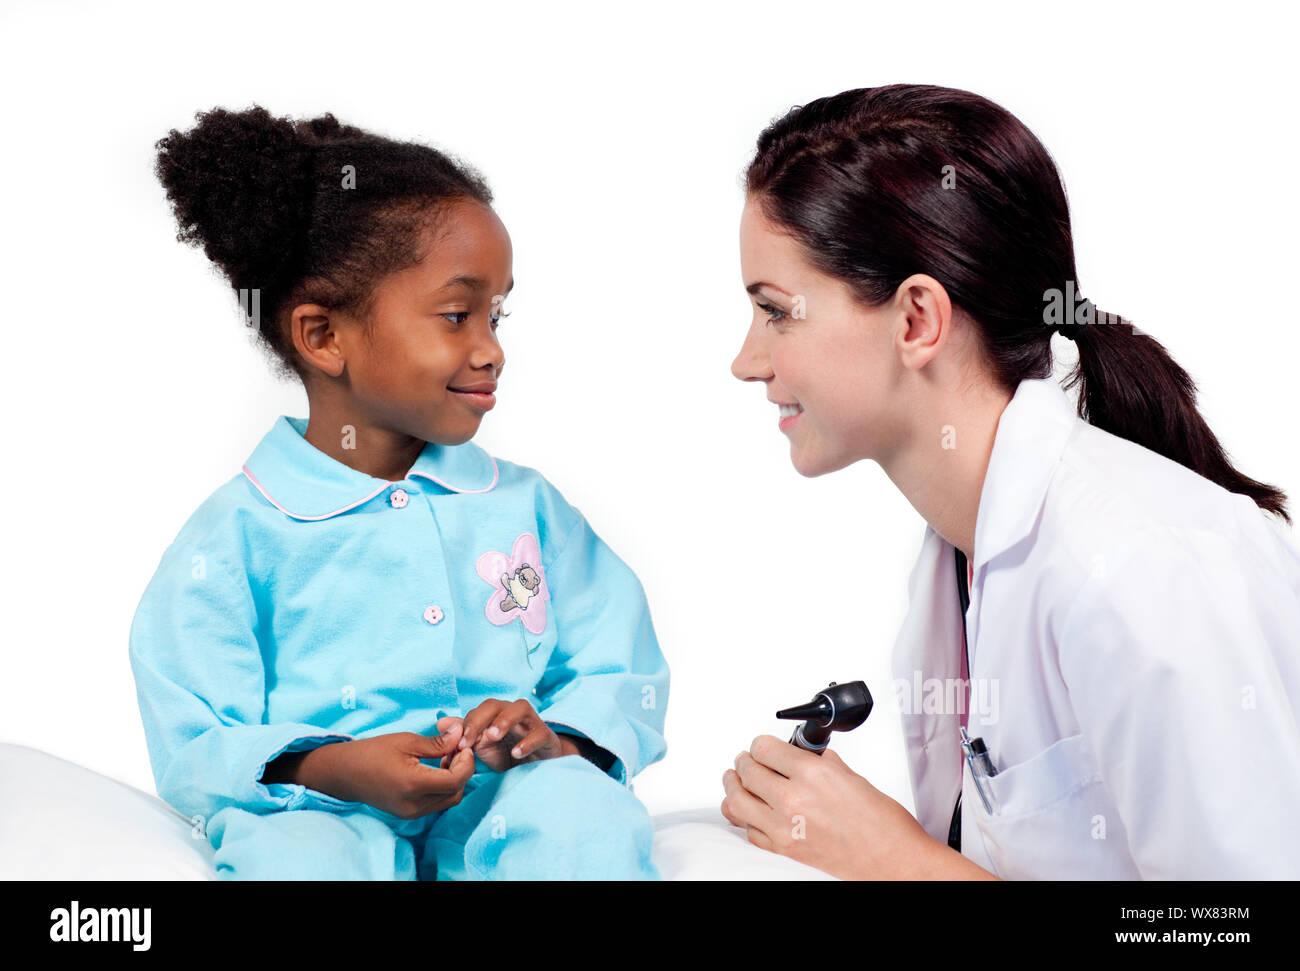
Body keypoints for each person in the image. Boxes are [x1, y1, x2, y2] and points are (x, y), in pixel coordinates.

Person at [721, 83, 1300, 880]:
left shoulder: (1148, 570)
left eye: (777, 312)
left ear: (916, 319)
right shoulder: (957, 556)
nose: (748, 361)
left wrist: (895, 860)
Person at [129, 105, 669, 880]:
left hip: (505, 795)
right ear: (323, 336)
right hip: (321, 812)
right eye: (457, 315)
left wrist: (553, 737)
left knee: (581, 816)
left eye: (496, 312)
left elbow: (620, 664)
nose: (491, 349)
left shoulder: (525, 507)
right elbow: (193, 731)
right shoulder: (240, 532)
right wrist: (327, 766)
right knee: (292, 861)